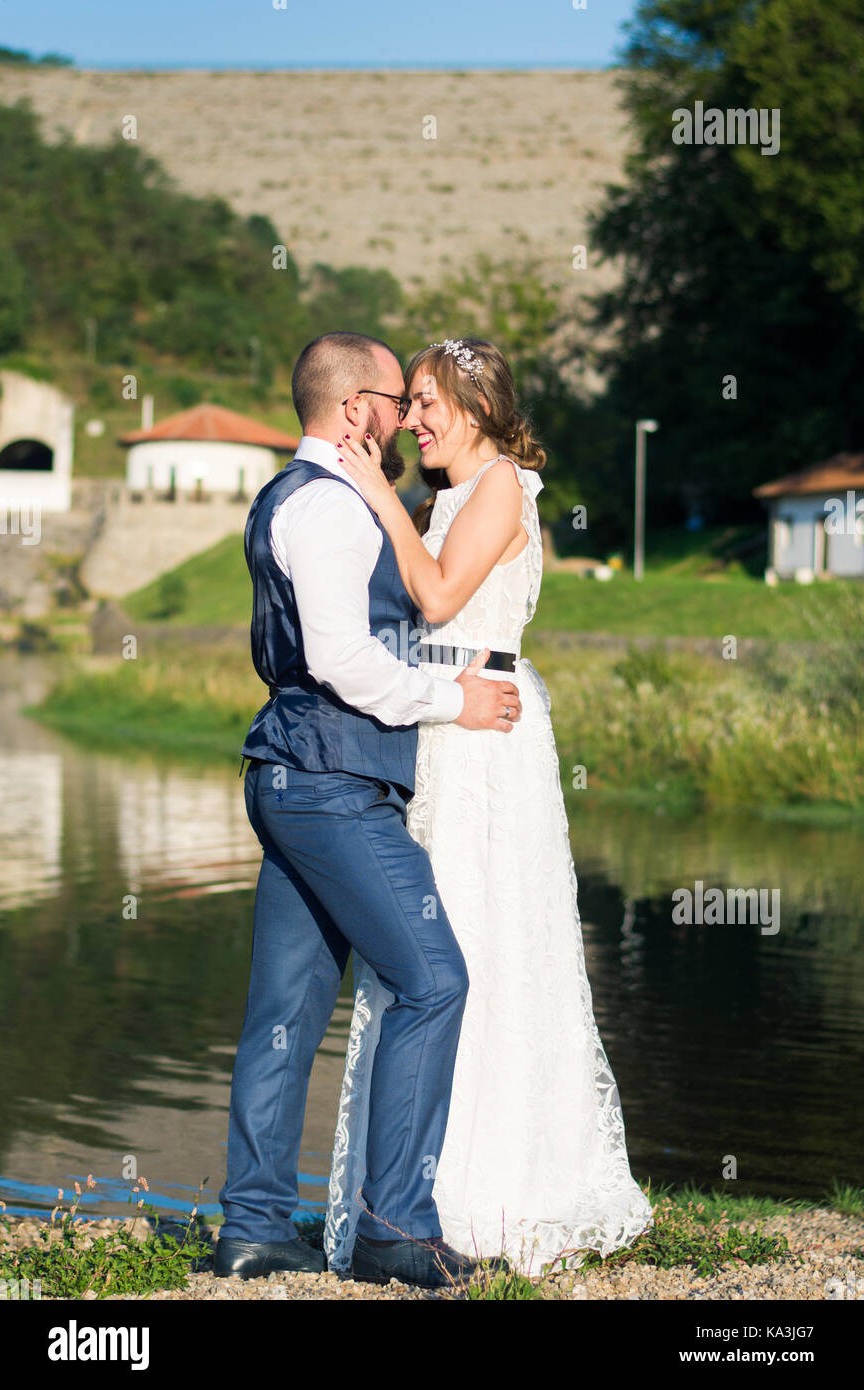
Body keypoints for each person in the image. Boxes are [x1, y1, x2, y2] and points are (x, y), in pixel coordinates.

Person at [325, 337, 654, 1277]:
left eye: (426, 403)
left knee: (484, 943)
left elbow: (436, 599)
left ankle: (494, 1192)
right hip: (438, 731)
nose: (414, 420)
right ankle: (407, 1194)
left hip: (487, 747)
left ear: (474, 408)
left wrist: (377, 493)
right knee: (424, 960)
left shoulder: (502, 484)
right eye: (412, 403)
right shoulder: (445, 496)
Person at [216, 332, 522, 1290]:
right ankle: (395, 1226)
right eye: (396, 399)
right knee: (434, 980)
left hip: (292, 773)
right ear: (356, 409)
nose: (405, 417)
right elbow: (345, 660)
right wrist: (456, 703)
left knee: (285, 1014)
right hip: (330, 784)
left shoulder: (294, 497)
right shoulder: (335, 511)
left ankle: (255, 1230)